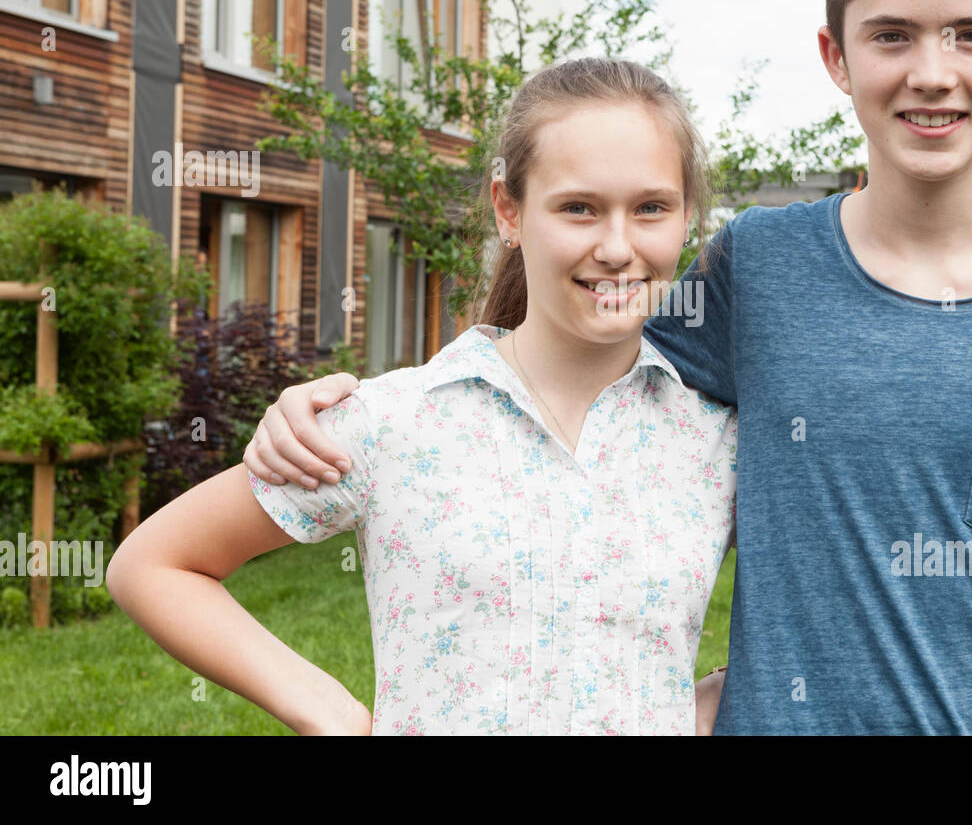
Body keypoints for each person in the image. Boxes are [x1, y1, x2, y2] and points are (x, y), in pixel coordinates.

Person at [249, 0, 972, 734]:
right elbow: (570, 345)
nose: (932, 70)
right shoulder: (758, 265)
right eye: (892, 35)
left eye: (971, 34)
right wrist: (343, 410)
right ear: (836, 55)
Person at [107, 58, 739, 735]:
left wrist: (715, 701)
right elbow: (153, 564)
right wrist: (332, 715)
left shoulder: (717, 445)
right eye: (578, 207)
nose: (617, 247)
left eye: (650, 208)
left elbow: (841, 602)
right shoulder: (396, 421)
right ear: (509, 210)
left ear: (686, 218)